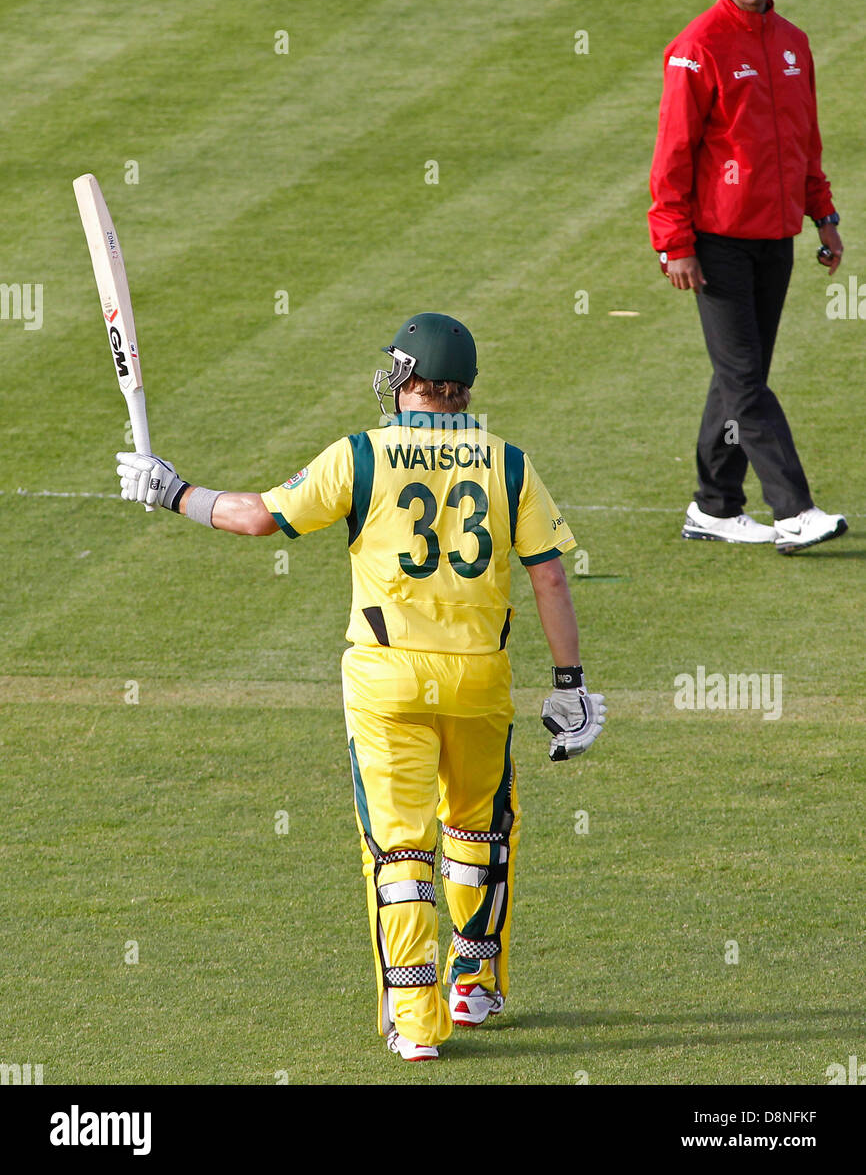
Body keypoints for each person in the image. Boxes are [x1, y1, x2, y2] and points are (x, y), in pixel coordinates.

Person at [115, 312, 607, 1061]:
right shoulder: (508, 462)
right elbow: (548, 574)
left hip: (386, 682)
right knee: (479, 836)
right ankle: (473, 983)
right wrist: (569, 681)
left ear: (410, 379)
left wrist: (172, 491)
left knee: (400, 852)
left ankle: (416, 1024)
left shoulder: (361, 456)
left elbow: (257, 518)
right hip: (480, 682)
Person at [648, 0, 848, 554]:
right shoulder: (696, 46)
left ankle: (714, 506)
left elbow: (805, 141)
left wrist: (826, 217)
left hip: (776, 236)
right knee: (745, 378)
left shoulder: (794, 42)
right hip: (716, 241)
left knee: (740, 373)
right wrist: (673, 240)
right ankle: (793, 510)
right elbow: (673, 152)